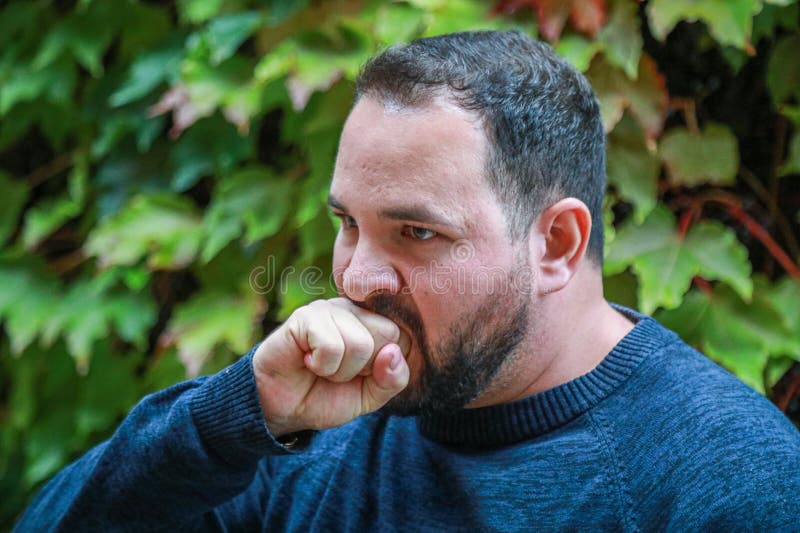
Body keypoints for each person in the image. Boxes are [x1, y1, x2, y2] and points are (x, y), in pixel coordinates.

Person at [15, 30, 800, 532]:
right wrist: (235, 416)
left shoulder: (729, 481)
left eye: (416, 233)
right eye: (346, 222)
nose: (356, 276)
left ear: (557, 242)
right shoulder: (302, 430)